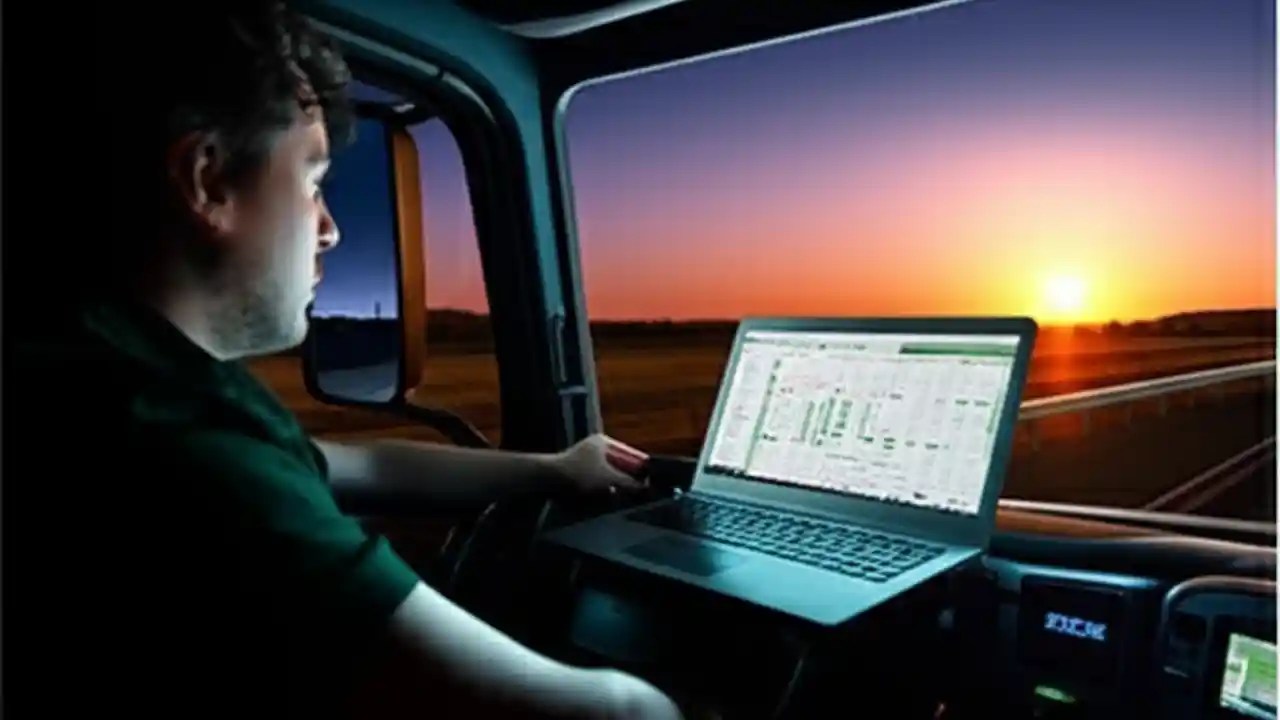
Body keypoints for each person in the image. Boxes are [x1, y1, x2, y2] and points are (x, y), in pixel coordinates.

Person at [6, 2, 683, 718]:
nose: (328, 230)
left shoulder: (102, 367)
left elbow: (364, 466)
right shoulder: (173, 435)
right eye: (312, 180)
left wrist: (552, 469)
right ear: (207, 180)